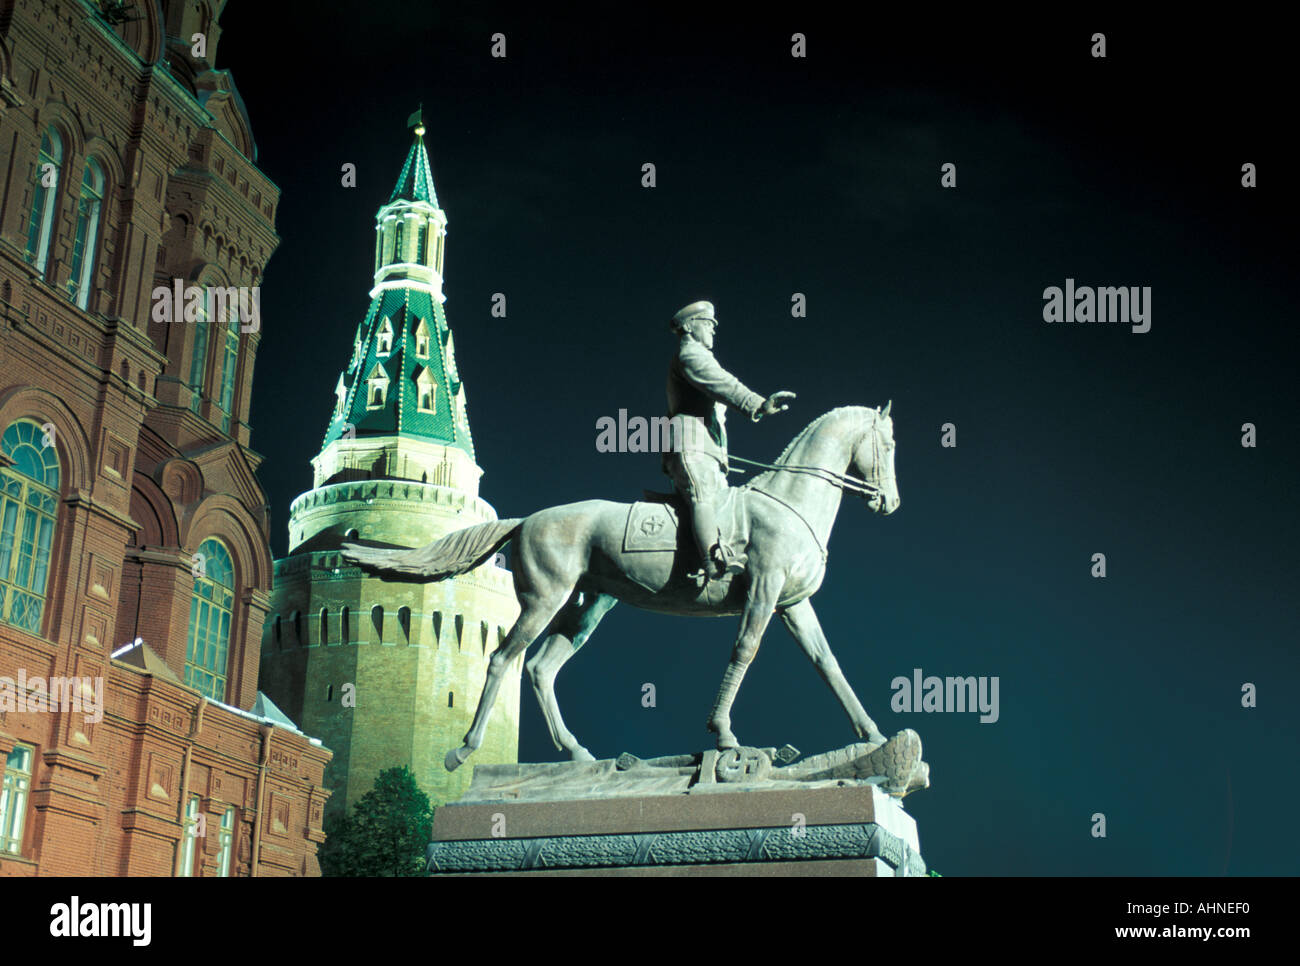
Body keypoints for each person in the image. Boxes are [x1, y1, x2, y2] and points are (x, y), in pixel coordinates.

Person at [662, 300, 795, 583]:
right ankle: (712, 561)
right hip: (691, 444)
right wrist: (757, 403)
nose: (713, 330)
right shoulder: (691, 355)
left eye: (713, 325)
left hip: (707, 448)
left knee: (716, 502)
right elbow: (722, 382)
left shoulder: (697, 354)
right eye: (707, 324)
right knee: (703, 497)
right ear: (689, 327)